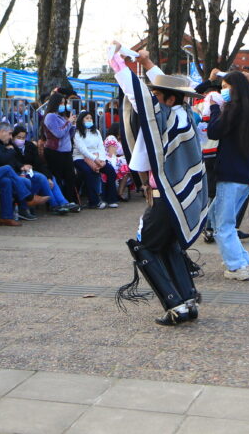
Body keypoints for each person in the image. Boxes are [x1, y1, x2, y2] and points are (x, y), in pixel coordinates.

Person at [109, 44, 207, 326]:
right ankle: (188, 301)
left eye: (157, 95)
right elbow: (161, 91)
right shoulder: (184, 114)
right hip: (178, 194)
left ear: (167, 99)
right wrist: (147, 63)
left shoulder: (165, 117)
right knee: (168, 245)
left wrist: (116, 61)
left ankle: (175, 305)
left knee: (146, 247)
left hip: (168, 193)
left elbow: (135, 93)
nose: (153, 98)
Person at [206, 71, 249, 281]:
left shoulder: (234, 110)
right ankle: (238, 257)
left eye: (225, 87)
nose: (222, 90)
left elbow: (214, 131)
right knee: (217, 218)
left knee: (223, 225)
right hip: (245, 174)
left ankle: (237, 266)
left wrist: (214, 108)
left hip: (231, 174)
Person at [0, 121, 55, 220]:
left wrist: (21, 166)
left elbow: (12, 160)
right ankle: (29, 200)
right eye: (9, 134)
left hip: (10, 172)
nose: (10, 137)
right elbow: (1, 160)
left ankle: (24, 209)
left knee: (31, 179)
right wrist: (11, 150)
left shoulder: (2, 142)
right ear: (2, 131)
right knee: (20, 178)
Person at [11, 125, 78, 214]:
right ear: (13, 137)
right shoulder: (10, 147)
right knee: (41, 178)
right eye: (18, 137)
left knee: (51, 178)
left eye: (23, 137)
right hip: (19, 172)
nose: (21, 140)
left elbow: (39, 163)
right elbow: (12, 162)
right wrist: (22, 166)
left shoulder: (29, 146)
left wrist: (48, 177)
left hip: (32, 171)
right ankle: (54, 205)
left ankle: (63, 203)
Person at [72, 111, 119, 209]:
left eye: (91, 118)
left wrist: (101, 160)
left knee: (110, 171)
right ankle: (94, 201)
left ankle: (111, 199)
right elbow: (83, 150)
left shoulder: (96, 132)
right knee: (89, 172)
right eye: (87, 118)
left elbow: (101, 147)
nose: (89, 120)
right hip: (80, 158)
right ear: (81, 120)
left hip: (97, 158)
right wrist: (95, 160)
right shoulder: (77, 133)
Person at [42, 91, 79, 205]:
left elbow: (68, 134)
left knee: (70, 177)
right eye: (62, 103)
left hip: (66, 151)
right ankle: (59, 202)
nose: (64, 105)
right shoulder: (50, 117)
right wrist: (69, 123)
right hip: (55, 151)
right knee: (57, 177)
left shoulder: (61, 117)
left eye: (64, 103)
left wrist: (73, 126)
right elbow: (59, 133)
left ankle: (70, 200)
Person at [103, 135, 131, 201]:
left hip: (113, 160)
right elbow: (111, 155)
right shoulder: (111, 138)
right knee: (126, 168)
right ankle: (120, 193)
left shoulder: (118, 140)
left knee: (128, 167)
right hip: (110, 161)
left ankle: (120, 192)